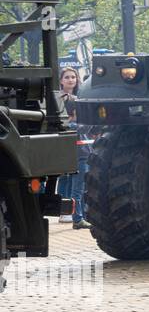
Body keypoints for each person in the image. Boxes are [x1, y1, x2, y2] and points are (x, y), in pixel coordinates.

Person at [56, 67, 89, 229]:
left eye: (73, 77)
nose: (71, 80)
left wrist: (71, 122)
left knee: (72, 184)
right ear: (61, 80)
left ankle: (70, 215)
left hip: (73, 149)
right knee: (73, 185)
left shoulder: (77, 99)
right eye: (67, 77)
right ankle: (75, 217)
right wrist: (72, 122)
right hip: (71, 150)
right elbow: (69, 126)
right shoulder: (64, 100)